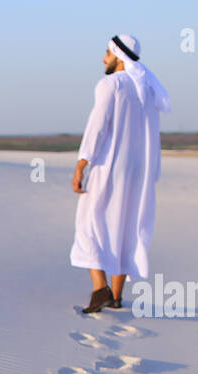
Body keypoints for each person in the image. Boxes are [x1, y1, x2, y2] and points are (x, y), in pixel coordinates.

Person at [70, 34, 171, 313]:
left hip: (109, 166)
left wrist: (82, 164)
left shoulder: (111, 84)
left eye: (106, 53)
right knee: (125, 227)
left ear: (117, 55)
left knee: (89, 224)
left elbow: (97, 125)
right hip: (140, 171)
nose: (103, 59)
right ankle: (116, 298)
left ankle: (99, 289)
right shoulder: (147, 88)